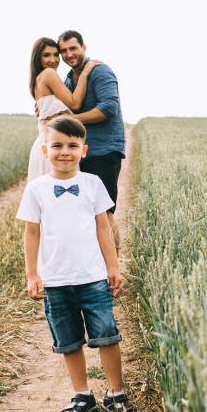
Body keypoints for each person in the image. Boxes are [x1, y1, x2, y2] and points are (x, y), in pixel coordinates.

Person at [16, 116, 138, 412]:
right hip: (55, 281)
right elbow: (31, 233)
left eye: (72, 145)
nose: (64, 151)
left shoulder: (92, 184)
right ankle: (82, 394)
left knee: (107, 336)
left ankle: (116, 394)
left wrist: (113, 266)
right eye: (57, 145)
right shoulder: (37, 189)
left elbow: (103, 229)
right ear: (45, 150)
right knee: (69, 341)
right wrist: (32, 274)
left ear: (84, 150)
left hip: (93, 277)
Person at [57, 30, 125, 250]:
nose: (69, 54)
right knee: (86, 215)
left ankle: (114, 269)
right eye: (64, 51)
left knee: (105, 213)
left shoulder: (100, 71)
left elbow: (108, 108)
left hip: (105, 151)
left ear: (84, 47)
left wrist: (72, 121)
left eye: (73, 48)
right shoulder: (69, 77)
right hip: (82, 153)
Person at [27, 37, 99, 181]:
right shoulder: (49, 74)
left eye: (56, 55)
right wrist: (85, 73)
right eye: (46, 55)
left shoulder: (39, 79)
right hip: (54, 146)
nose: (53, 60)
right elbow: (75, 103)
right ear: (37, 58)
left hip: (49, 145)